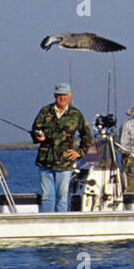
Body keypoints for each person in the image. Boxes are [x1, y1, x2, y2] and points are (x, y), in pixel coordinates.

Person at [31, 83, 93, 212]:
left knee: (62, 197)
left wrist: (79, 153)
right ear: (55, 96)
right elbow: (35, 129)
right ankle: (46, 225)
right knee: (47, 197)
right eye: (59, 95)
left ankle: (61, 226)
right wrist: (38, 136)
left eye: (65, 95)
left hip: (65, 163)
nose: (62, 98)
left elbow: (87, 136)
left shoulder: (76, 114)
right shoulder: (45, 111)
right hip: (45, 161)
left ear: (70, 96)